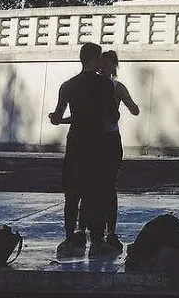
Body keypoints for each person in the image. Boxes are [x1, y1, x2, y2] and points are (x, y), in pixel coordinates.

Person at [49, 42, 119, 259]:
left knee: (72, 193)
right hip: (98, 144)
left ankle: (70, 239)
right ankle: (97, 242)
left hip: (76, 142)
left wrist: (56, 118)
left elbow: (57, 117)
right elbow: (112, 116)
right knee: (96, 192)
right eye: (99, 58)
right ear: (94, 59)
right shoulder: (105, 85)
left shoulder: (68, 85)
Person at [94, 50, 140, 253]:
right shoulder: (110, 86)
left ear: (113, 66)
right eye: (101, 64)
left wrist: (126, 104)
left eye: (106, 64)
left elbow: (134, 108)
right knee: (102, 187)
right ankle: (102, 232)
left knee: (104, 186)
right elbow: (134, 109)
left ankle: (106, 232)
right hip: (104, 138)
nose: (103, 68)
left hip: (102, 138)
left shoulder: (114, 87)